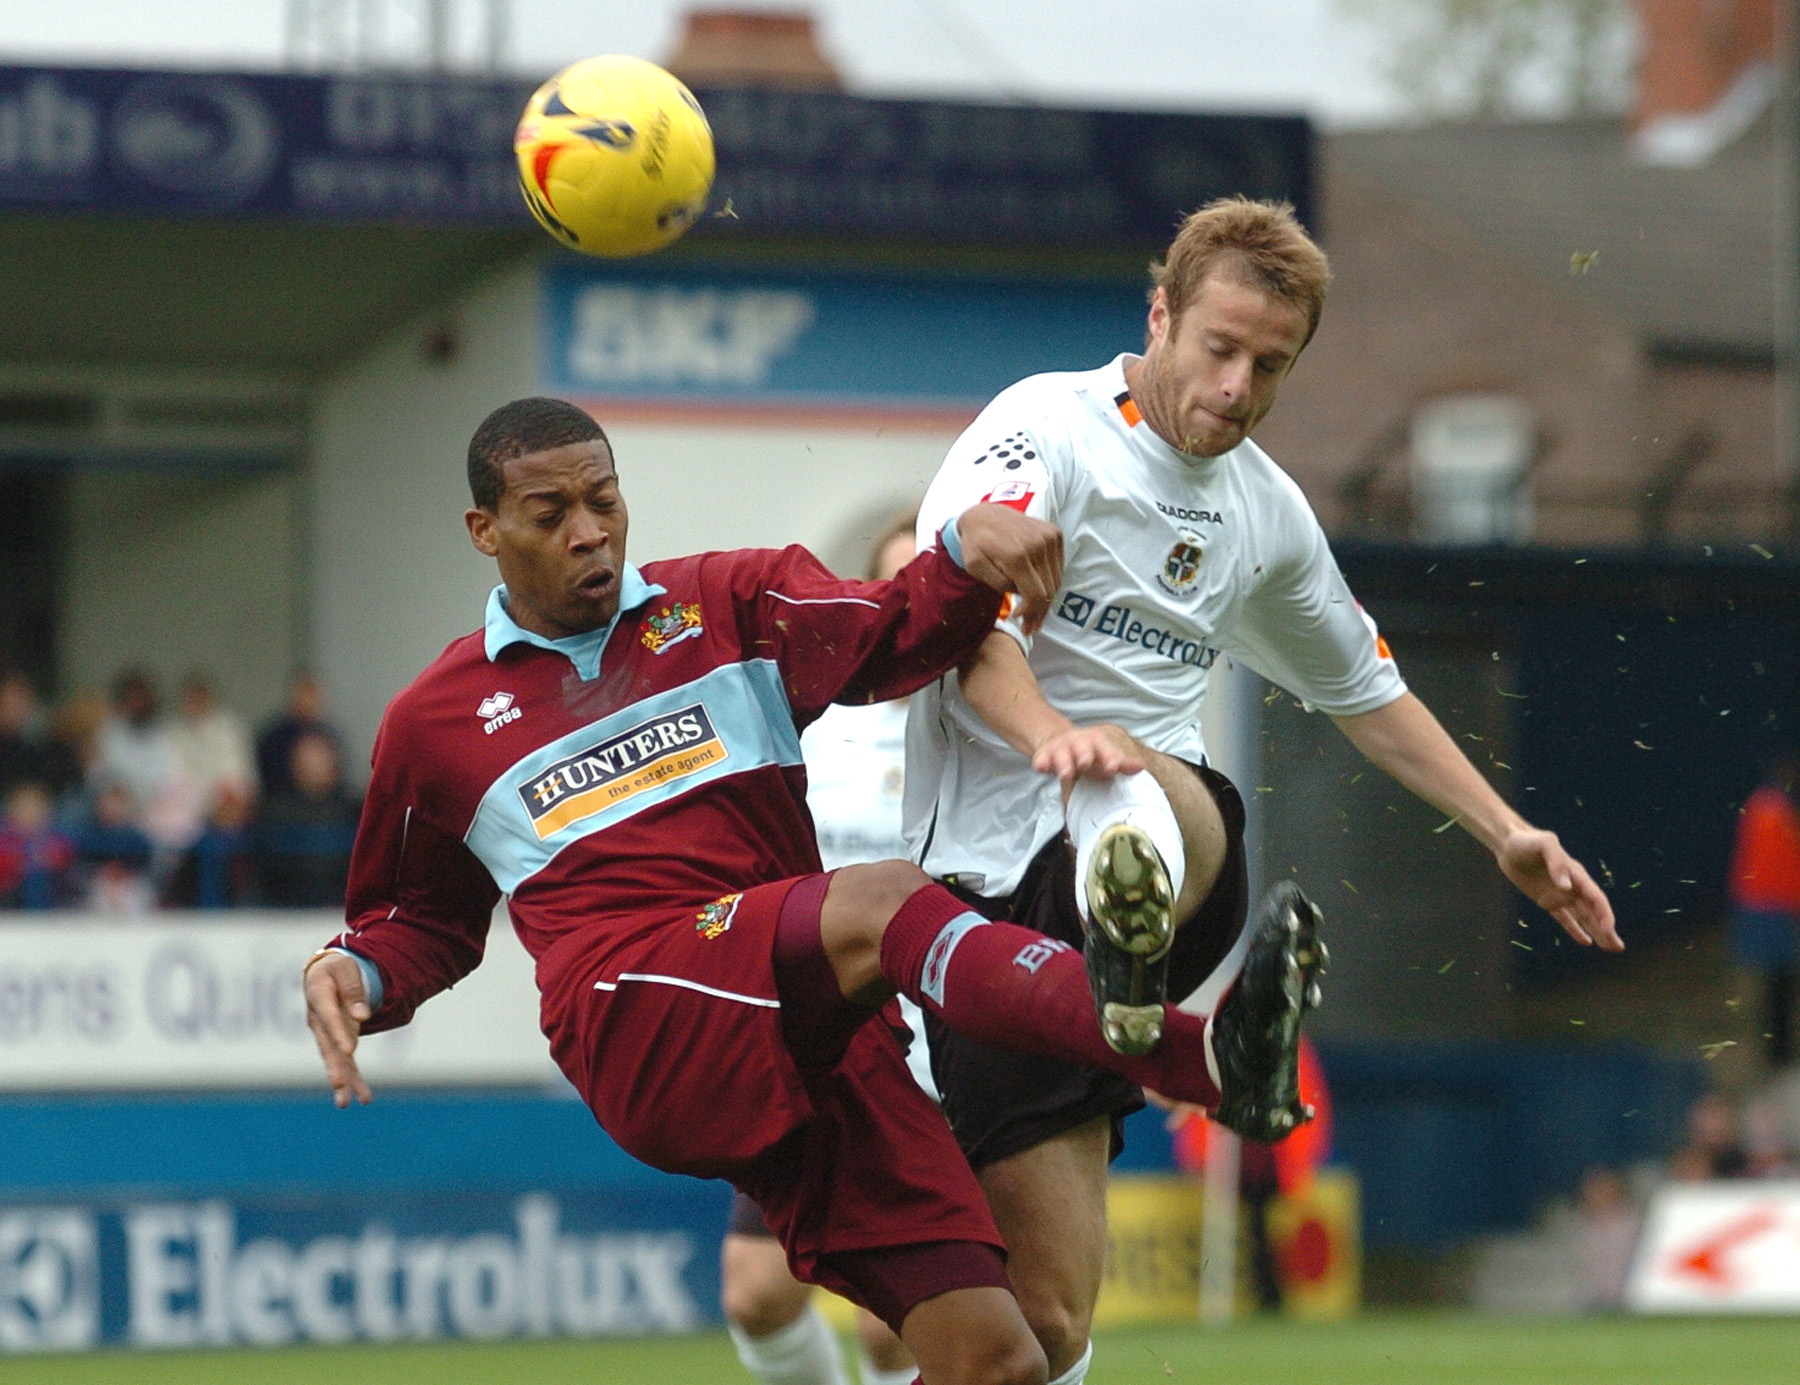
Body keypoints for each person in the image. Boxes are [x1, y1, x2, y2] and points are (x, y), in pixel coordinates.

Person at [303, 397, 1313, 1385]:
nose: (589, 531)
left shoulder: (728, 605)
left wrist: (965, 549)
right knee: (879, 899)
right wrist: (353, 968)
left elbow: (901, 628)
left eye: (604, 500)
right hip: (638, 1013)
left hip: (811, 1029)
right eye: (550, 513)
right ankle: (1211, 1060)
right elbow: (421, 916)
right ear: (484, 530)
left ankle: (1207, 1062)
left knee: (1000, 1355)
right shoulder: (434, 721)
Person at [905, 196, 1622, 1380]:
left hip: (1171, 861)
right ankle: (1169, 1018)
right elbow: (956, 630)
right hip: (985, 904)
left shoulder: (1264, 513)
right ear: (1161, 314)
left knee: (1163, 788)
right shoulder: (1043, 426)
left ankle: (1138, 963)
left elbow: (1365, 688)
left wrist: (1507, 830)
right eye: (1219, 349)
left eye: (1271, 364)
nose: (1239, 386)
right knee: (1039, 1329)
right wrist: (1051, 733)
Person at [722, 513, 927, 1385]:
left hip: (940, 1040)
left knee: (894, 1325)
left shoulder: (990, 733)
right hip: (817, 1037)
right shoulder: (816, 720)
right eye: (898, 586)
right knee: (756, 1293)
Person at [1726, 753, 1800, 1068]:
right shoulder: (1775, 810)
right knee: (1771, 985)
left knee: (1772, 986)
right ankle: (1772, 1055)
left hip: (1761, 906)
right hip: (1770, 908)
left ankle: (1772, 1054)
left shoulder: (1760, 805)